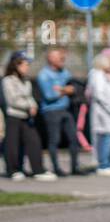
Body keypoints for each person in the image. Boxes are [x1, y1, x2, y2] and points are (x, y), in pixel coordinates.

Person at [3, 52, 54, 180]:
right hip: (14, 115)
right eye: (25, 64)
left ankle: (38, 169)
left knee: (34, 142)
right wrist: (28, 106)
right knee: (12, 144)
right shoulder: (8, 81)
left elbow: (30, 97)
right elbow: (12, 100)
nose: (27, 67)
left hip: (26, 117)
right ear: (16, 65)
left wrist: (33, 105)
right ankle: (13, 170)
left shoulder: (26, 81)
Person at [37, 48, 80, 177]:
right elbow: (49, 95)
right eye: (59, 57)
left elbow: (74, 88)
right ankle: (56, 168)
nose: (63, 59)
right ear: (51, 59)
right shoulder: (44, 75)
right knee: (54, 140)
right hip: (51, 111)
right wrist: (65, 90)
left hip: (65, 109)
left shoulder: (64, 72)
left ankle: (75, 168)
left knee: (73, 138)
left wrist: (62, 90)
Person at [86, 49, 110, 175]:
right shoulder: (97, 74)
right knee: (108, 137)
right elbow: (99, 93)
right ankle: (104, 164)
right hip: (105, 111)